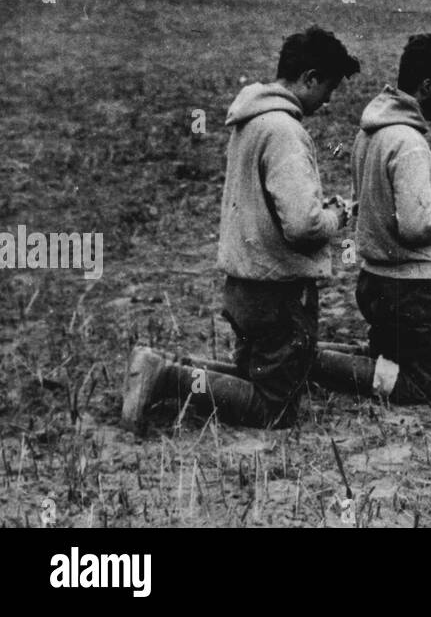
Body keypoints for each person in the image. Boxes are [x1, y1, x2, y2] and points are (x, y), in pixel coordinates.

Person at [122, 27, 398, 431]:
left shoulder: (251, 121)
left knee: (253, 377)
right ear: (310, 77)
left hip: (245, 284)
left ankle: (165, 368)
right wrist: (336, 216)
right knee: (273, 408)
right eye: (329, 88)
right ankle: (169, 377)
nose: (328, 101)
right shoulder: (285, 131)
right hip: (278, 292)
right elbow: (303, 226)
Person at [350, 34, 431, 408]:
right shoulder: (408, 141)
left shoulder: (370, 133)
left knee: (389, 362)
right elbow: (415, 227)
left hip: (376, 281)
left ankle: (322, 359)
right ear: (426, 86)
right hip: (411, 290)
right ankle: (317, 363)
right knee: (418, 385)